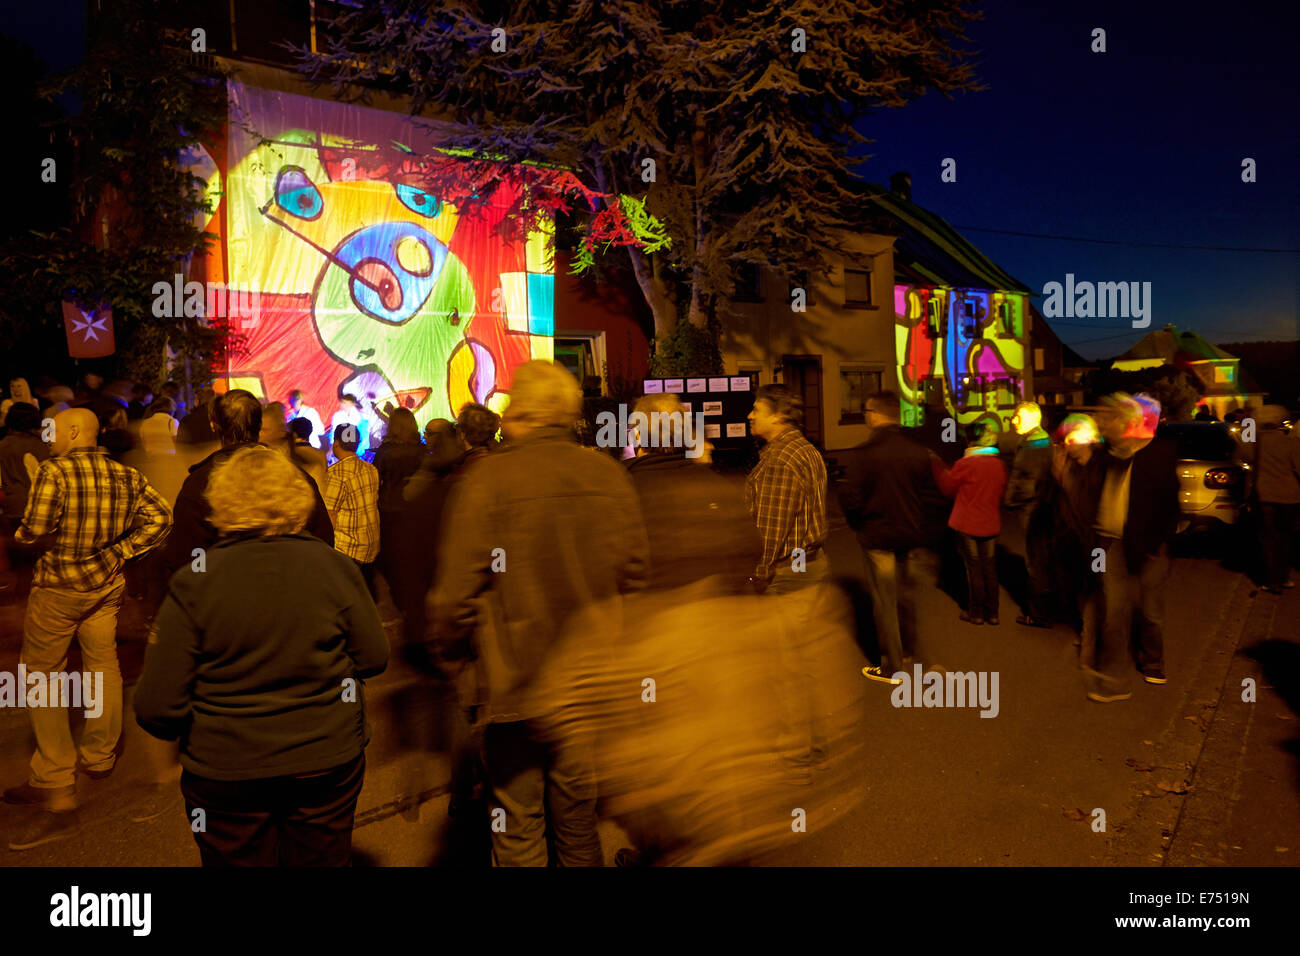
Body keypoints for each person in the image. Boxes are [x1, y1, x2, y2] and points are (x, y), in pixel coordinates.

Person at [430, 360, 649, 866]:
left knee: (516, 826)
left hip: (513, 689)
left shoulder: (487, 480)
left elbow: (453, 597)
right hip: (588, 689)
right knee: (578, 823)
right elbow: (635, 577)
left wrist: (456, 661)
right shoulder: (607, 475)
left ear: (520, 414)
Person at [134, 446, 388, 866]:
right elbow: (374, 657)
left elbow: (156, 706)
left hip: (227, 771)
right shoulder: (333, 566)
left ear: (221, 501)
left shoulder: (195, 581)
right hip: (325, 761)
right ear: (297, 498)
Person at [2, 408, 172, 851]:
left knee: (42, 676)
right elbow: (161, 518)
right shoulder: (125, 475)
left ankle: (54, 775)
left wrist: (17, 536)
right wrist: (121, 552)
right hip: (105, 584)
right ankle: (99, 753)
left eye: (52, 430)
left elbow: (35, 530)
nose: (48, 437)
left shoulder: (54, 473)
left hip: (59, 587)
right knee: (103, 663)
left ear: (74, 432)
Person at [160, 389, 334, 585]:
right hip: (289, 595)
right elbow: (322, 540)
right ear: (258, 426)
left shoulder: (199, 483)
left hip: (225, 601)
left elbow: (189, 557)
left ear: (214, 425)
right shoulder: (295, 476)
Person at [1084, 393, 1180, 702]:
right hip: (1110, 543)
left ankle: (1153, 661)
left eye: (1110, 421)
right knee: (1114, 609)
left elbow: (1169, 505)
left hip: (1150, 545)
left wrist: (1157, 543)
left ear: (1129, 424)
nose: (1105, 427)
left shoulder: (1157, 454)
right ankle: (1115, 678)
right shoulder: (1105, 457)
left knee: (1150, 610)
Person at [845, 391, 946, 684]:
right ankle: (910, 654)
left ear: (876, 414)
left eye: (866, 411)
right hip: (911, 535)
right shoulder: (918, 452)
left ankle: (893, 667)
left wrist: (859, 525)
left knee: (885, 601)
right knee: (906, 597)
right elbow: (932, 497)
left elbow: (851, 498)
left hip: (878, 537)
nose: (865, 416)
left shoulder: (863, 454)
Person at [631, 392, 761, 593]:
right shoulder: (718, 487)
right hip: (716, 612)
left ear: (637, 434)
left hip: (646, 615)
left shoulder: (619, 489)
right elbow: (751, 549)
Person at [744, 384, 828, 593]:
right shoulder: (804, 448)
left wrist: (758, 576)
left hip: (787, 571)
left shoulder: (780, 460)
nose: (749, 416)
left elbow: (771, 530)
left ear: (778, 416)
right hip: (805, 560)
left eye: (756, 410)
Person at [933, 424, 1009, 626]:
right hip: (991, 522)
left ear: (972, 441)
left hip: (967, 523)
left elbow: (947, 488)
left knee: (974, 569)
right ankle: (993, 613)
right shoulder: (999, 465)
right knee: (990, 568)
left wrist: (939, 469)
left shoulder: (965, 464)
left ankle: (976, 613)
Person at [1002, 401, 1055, 628]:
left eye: (1018, 417)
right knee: (1043, 558)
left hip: (1033, 509)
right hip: (1044, 505)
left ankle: (1038, 613)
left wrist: (1010, 500)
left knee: (1036, 561)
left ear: (1033, 419)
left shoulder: (1033, 445)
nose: (1013, 421)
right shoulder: (1043, 441)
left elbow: (1026, 481)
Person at [371, 407, 426, 606]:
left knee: (391, 552)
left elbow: (375, 478)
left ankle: (396, 595)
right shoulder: (421, 450)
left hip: (389, 507)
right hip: (414, 506)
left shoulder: (385, 451)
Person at [1244, 405, 1300, 593]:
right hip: (1290, 496)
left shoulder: (1255, 442)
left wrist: (1248, 422)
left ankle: (1271, 580)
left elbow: (1243, 454)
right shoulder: (1290, 442)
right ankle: (1284, 577)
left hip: (1265, 495)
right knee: (1286, 537)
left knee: (1268, 538)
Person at [323, 422, 380, 595]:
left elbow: (330, 515)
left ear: (336, 443)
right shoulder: (371, 469)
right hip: (371, 547)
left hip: (348, 550)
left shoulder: (335, 474)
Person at [0, 403, 51, 595]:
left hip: (14, 507)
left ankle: (23, 593)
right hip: (40, 505)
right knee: (41, 553)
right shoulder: (41, 446)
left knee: (21, 557)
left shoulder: (2, 447)